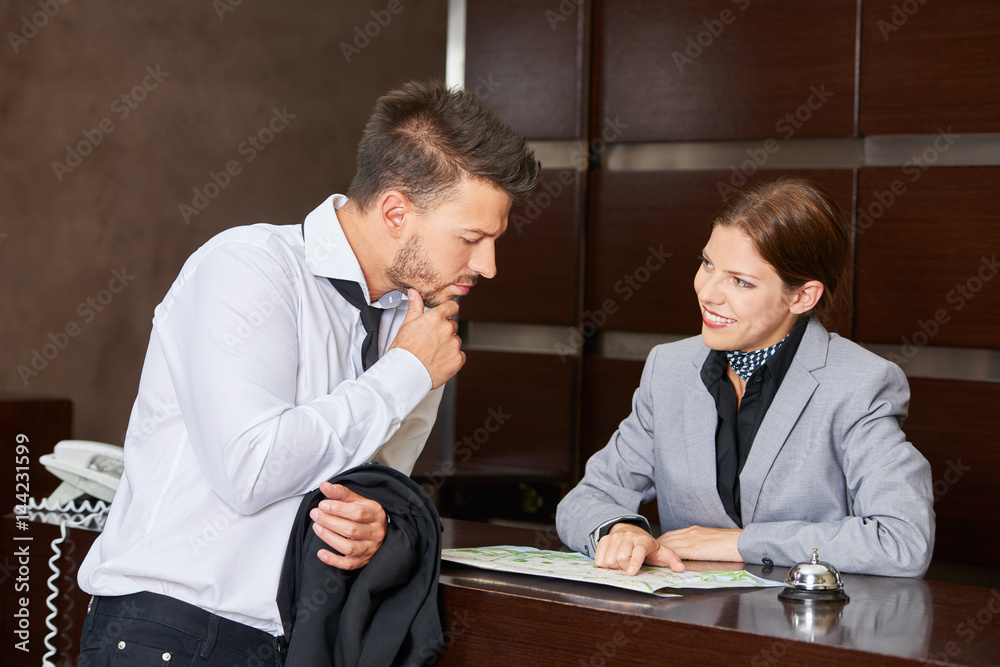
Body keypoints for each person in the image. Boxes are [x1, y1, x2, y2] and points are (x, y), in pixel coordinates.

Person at [77, 80, 540, 664]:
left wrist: (372, 523)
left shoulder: (417, 327)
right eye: (472, 239)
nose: (488, 266)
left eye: (494, 241)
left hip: (296, 642)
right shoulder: (248, 268)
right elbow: (251, 469)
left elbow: (366, 484)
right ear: (396, 211)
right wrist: (405, 372)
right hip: (172, 632)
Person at [556, 176, 934, 578]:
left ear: (802, 296)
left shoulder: (860, 383)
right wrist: (620, 530)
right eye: (707, 264)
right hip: (683, 625)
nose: (709, 292)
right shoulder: (668, 368)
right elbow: (586, 499)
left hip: (809, 629)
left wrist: (739, 542)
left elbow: (903, 540)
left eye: (741, 281)